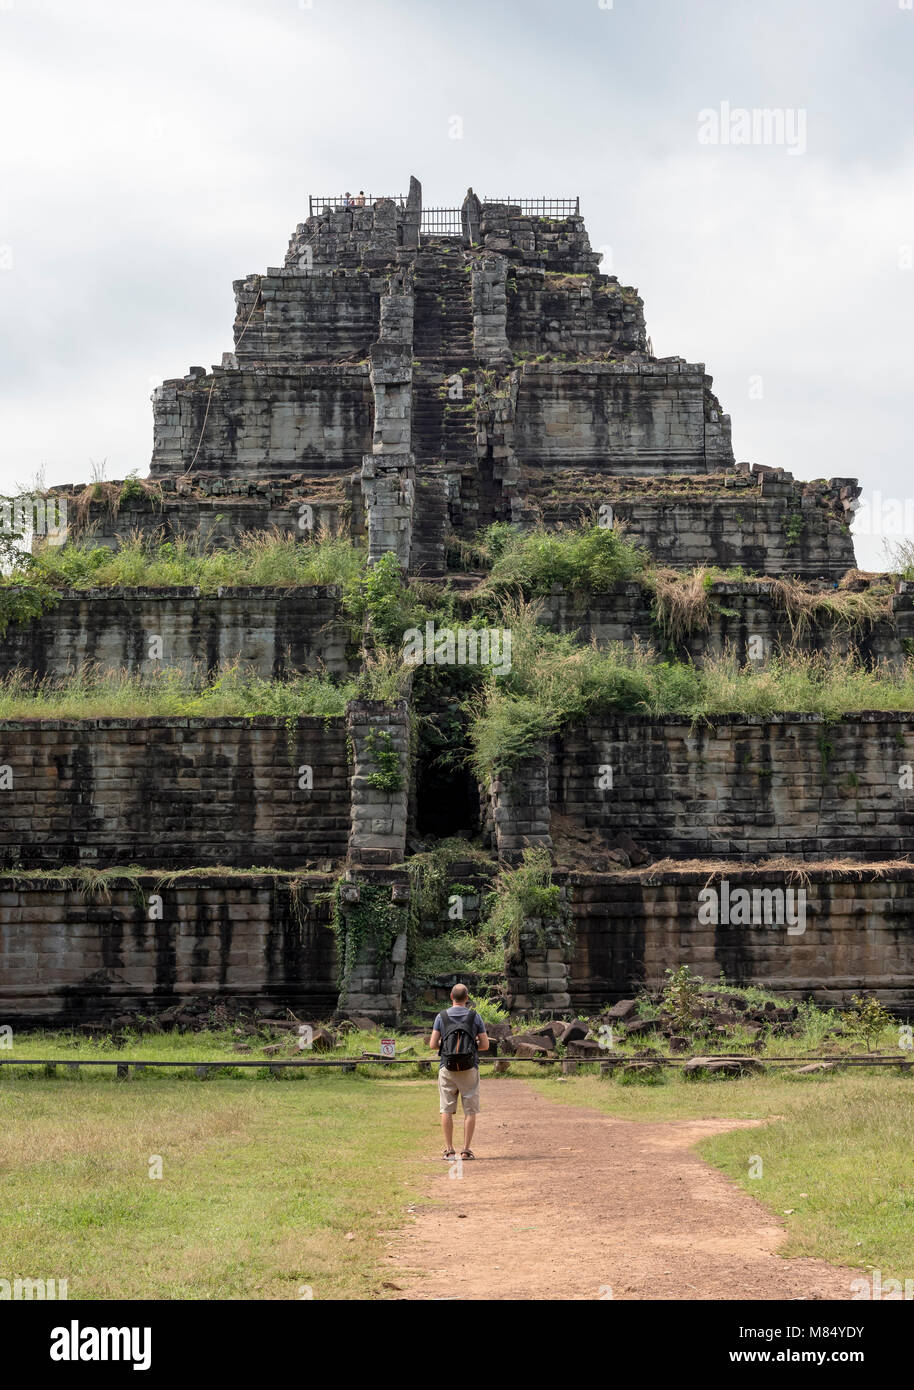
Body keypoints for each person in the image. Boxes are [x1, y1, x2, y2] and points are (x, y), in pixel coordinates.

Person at [429, 984, 489, 1161]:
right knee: (470, 1110)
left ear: (451, 997)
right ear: (467, 997)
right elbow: (485, 1045)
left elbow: (433, 1044)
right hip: (469, 1068)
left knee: (446, 1109)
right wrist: (470, 1046)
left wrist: (447, 1048)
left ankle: (449, 1150)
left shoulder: (442, 1016)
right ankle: (466, 1150)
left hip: (447, 1067)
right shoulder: (474, 1016)